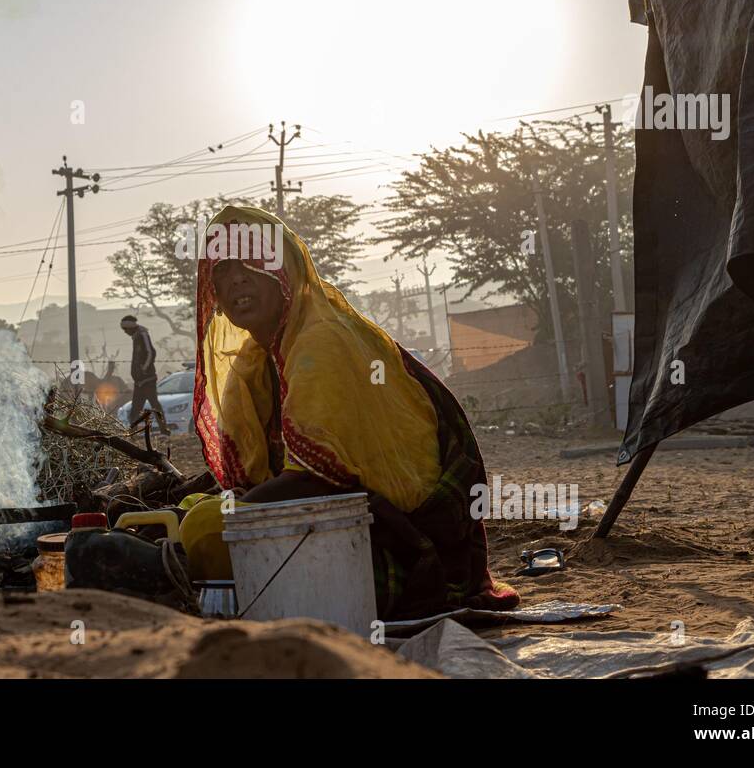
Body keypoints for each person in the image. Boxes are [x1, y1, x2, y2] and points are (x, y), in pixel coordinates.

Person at [191, 205, 518, 620]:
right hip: (326, 518)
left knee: (284, 588)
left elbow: (316, 477)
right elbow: (263, 477)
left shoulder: (321, 342)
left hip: (404, 536)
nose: (236, 276)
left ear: (285, 273)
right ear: (213, 295)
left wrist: (234, 511)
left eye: (253, 262)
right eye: (223, 268)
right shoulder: (254, 364)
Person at [121, 315, 170, 436]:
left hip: (147, 379)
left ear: (130, 327)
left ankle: (163, 429)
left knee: (154, 404)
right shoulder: (136, 336)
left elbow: (151, 352)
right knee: (136, 407)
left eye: (126, 329)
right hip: (139, 381)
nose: (125, 332)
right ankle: (132, 432)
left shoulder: (142, 334)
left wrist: (144, 369)